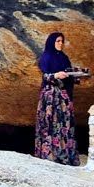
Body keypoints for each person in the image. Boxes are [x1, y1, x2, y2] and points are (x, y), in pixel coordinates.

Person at [35, 32, 79, 165]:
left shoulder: (64, 58)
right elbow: (45, 76)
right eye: (58, 41)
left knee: (64, 125)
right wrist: (56, 75)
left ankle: (64, 155)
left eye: (62, 41)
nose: (60, 44)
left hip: (63, 97)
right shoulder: (46, 57)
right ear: (51, 42)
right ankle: (49, 155)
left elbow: (68, 72)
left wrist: (75, 74)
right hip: (51, 98)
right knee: (50, 125)